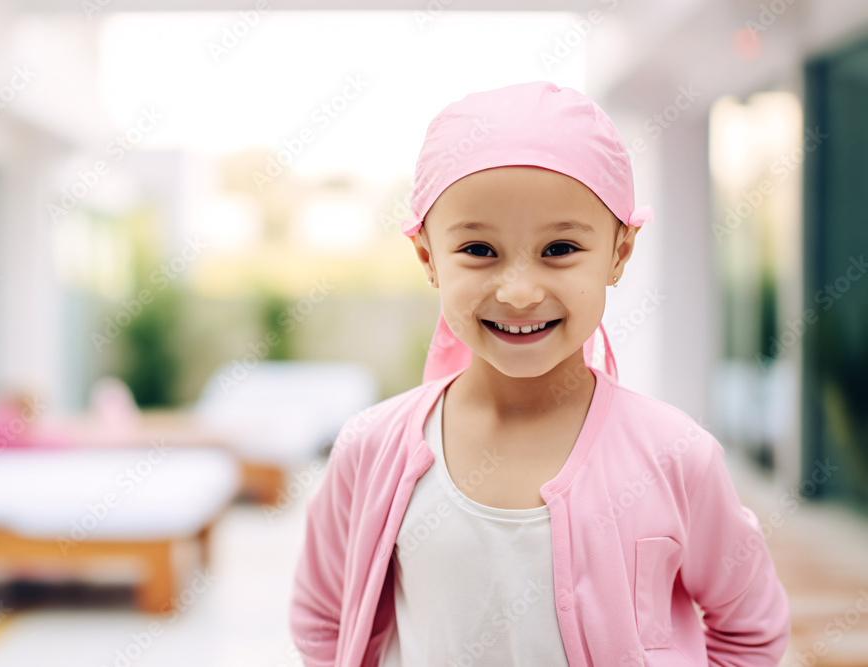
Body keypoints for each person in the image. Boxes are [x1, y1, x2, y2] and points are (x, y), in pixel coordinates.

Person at [288, 81, 790, 667]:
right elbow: (325, 624)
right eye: (478, 249)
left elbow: (749, 632)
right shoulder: (371, 450)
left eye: (559, 249)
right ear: (427, 257)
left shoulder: (676, 456)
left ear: (619, 253)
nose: (520, 292)